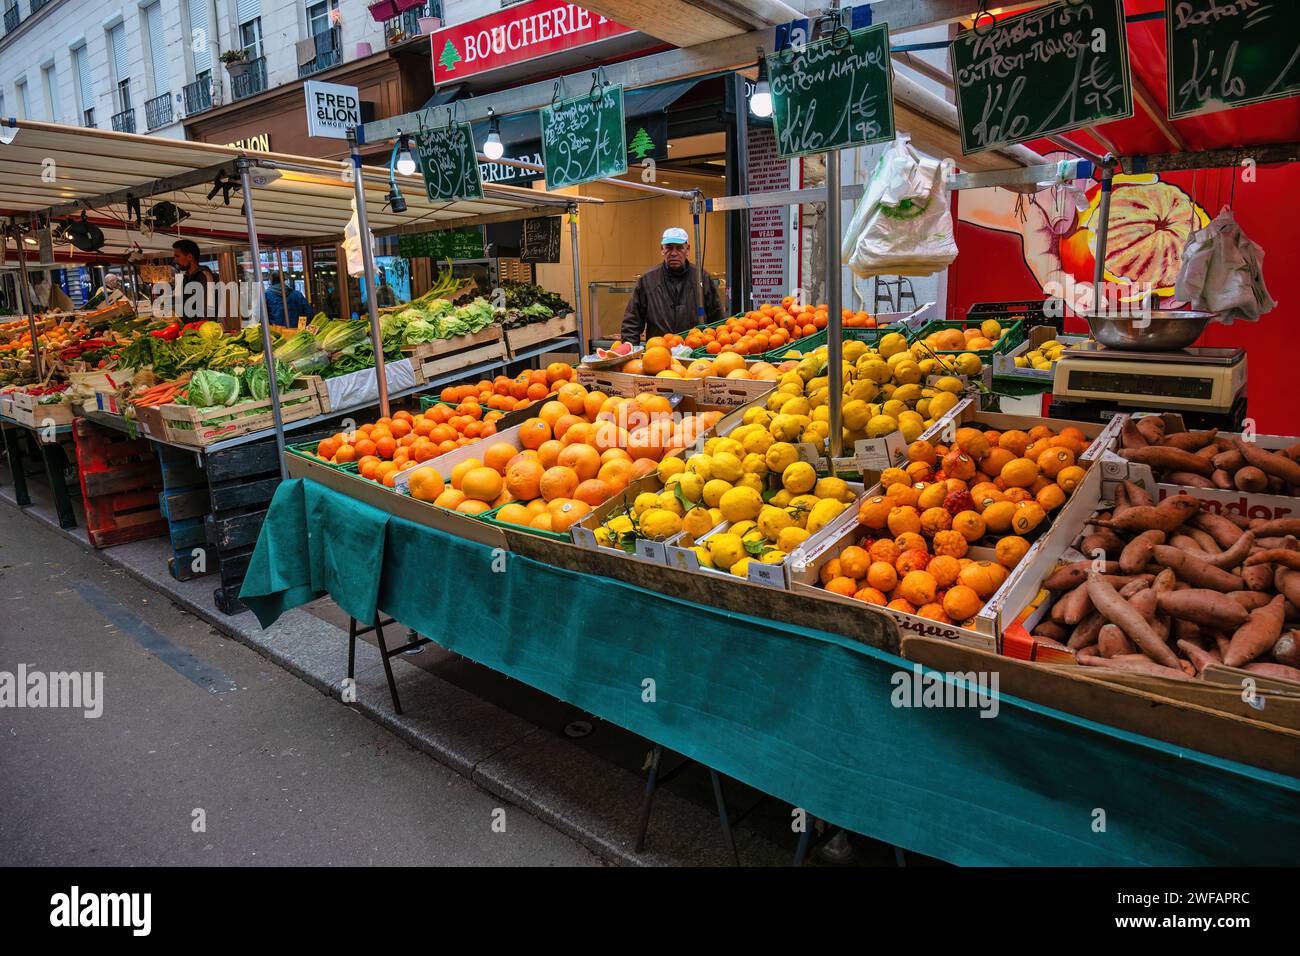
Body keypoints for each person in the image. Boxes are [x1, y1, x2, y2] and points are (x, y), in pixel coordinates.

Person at [620, 227, 723, 344]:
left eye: (679, 248)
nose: (674, 253)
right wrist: (631, 352)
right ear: (662, 249)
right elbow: (632, 322)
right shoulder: (648, 280)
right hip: (658, 352)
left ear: (687, 249)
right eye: (669, 248)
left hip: (694, 350)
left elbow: (717, 319)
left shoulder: (701, 278)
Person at [172, 239, 215, 320]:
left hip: (201, 328)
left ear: (190, 257)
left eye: (177, 256)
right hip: (188, 329)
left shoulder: (204, 275)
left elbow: (208, 309)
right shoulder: (185, 278)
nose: (175, 260)